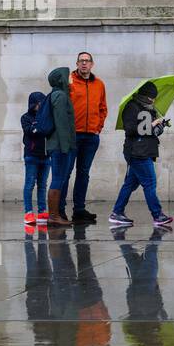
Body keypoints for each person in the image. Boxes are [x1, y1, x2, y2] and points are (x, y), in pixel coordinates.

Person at [109, 81, 174, 229]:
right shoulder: (132, 107)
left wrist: (160, 126)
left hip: (144, 150)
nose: (153, 100)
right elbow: (131, 129)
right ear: (145, 96)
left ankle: (116, 213)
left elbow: (149, 132)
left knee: (130, 184)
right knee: (150, 183)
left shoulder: (148, 109)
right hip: (137, 152)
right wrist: (151, 125)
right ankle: (157, 215)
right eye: (152, 97)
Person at [68, 51, 107, 222]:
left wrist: (98, 128)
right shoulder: (69, 82)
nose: (84, 64)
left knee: (83, 173)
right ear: (77, 64)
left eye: (87, 61)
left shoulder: (99, 84)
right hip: (72, 135)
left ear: (92, 64)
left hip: (91, 136)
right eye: (81, 61)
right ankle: (59, 210)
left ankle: (79, 209)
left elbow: (103, 108)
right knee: (66, 172)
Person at [43, 67, 77, 227]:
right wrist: (66, 147)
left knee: (59, 178)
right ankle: (54, 216)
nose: (70, 77)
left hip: (59, 145)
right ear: (61, 79)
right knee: (57, 179)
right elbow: (62, 123)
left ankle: (54, 215)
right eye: (68, 75)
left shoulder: (60, 95)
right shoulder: (60, 96)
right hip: (60, 146)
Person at [20, 91, 51, 226]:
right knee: (29, 184)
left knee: (43, 185)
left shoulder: (47, 117)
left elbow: (47, 130)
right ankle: (28, 213)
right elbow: (30, 131)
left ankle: (42, 211)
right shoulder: (25, 117)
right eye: (39, 104)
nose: (41, 106)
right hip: (31, 156)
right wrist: (39, 128)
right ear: (33, 104)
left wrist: (39, 129)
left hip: (46, 156)